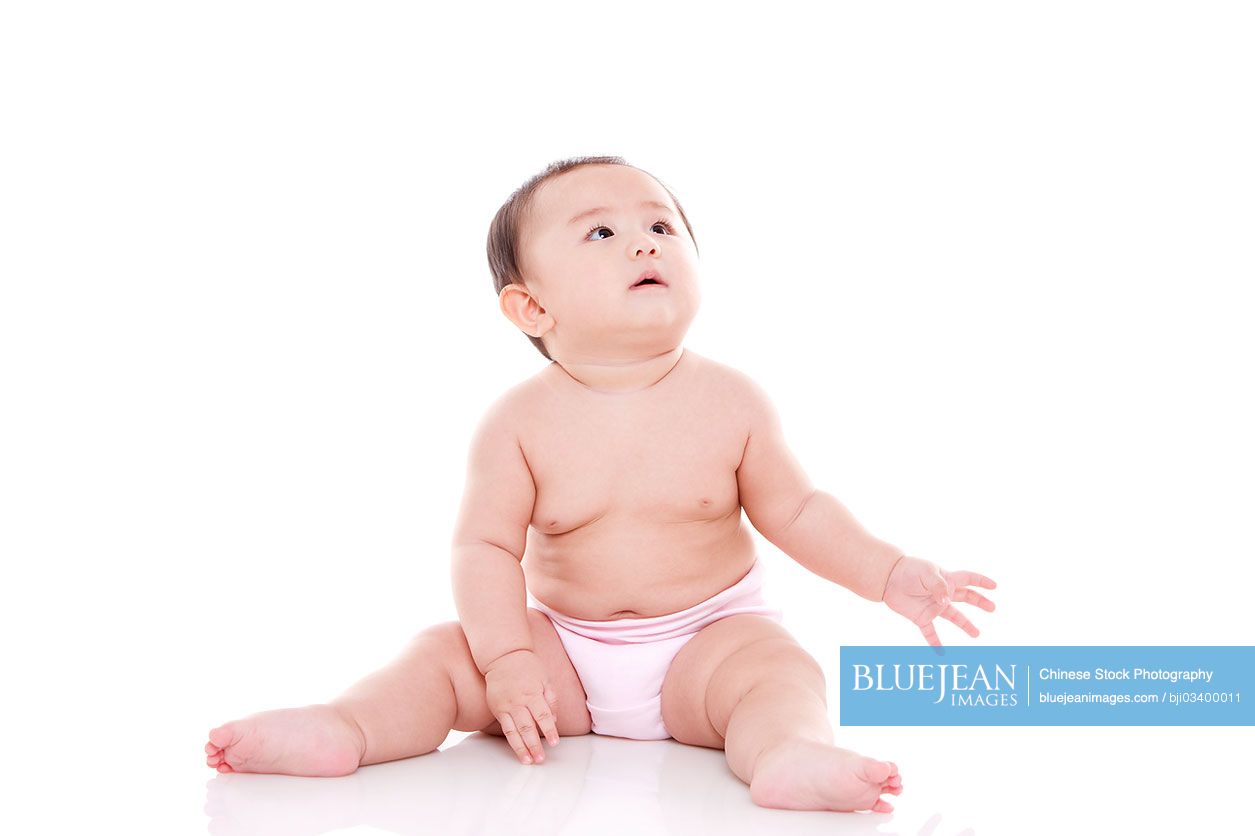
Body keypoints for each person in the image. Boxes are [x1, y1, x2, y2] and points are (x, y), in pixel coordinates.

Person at [204, 156, 997, 813]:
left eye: (661, 227)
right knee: (442, 657)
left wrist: (887, 573)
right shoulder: (518, 422)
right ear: (531, 307)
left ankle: (787, 754)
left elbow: (796, 510)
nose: (643, 244)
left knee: (779, 674)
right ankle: (348, 726)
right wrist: (508, 659)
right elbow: (484, 549)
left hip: (707, 644)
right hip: (563, 658)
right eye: (601, 232)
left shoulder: (731, 402)